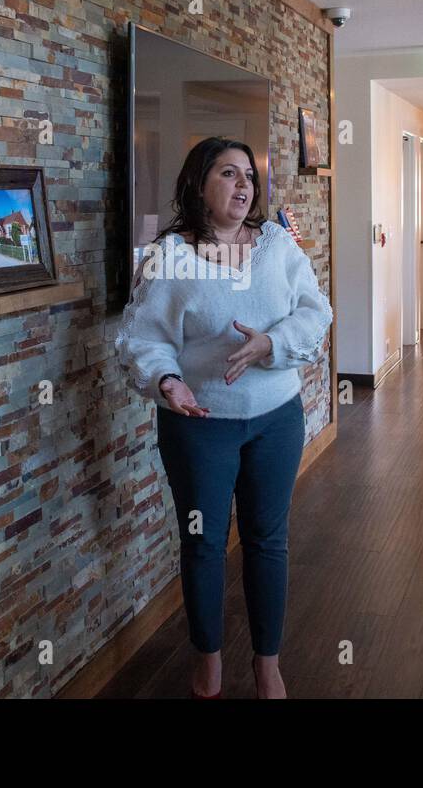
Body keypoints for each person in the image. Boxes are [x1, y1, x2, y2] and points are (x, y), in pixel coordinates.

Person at [115, 137, 333, 699]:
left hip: (275, 418)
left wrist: (271, 343)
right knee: (204, 541)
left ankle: (267, 662)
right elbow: (142, 338)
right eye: (228, 174)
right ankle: (208, 658)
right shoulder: (169, 255)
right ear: (198, 183)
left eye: (249, 177)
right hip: (197, 423)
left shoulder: (278, 245)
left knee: (267, 539)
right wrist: (167, 382)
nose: (243, 186)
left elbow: (315, 311)